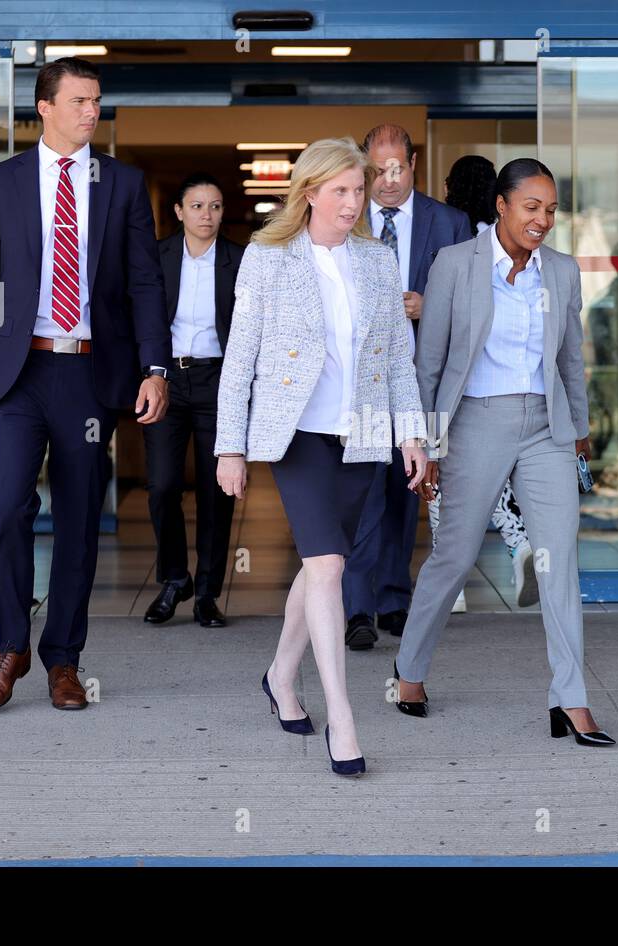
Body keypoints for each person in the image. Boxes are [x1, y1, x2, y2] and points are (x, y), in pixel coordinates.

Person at [0, 57, 171, 711]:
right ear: (44, 107)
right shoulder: (5, 184)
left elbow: (146, 284)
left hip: (89, 375)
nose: (91, 112)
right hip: (16, 376)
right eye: (78, 101)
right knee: (7, 505)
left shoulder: (123, 185)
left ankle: (64, 660)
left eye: (96, 101)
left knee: (77, 521)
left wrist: (155, 368)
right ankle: (8, 648)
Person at [214, 136, 429, 775]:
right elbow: (241, 357)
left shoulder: (377, 260)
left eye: (359, 190)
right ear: (310, 193)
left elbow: (395, 359)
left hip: (361, 434)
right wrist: (230, 445)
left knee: (318, 568)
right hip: (299, 435)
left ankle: (281, 674)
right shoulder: (268, 256)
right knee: (331, 565)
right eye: (340, 190)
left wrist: (411, 435)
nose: (353, 201)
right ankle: (343, 716)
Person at [393, 158, 615, 747]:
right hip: (476, 422)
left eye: (551, 209)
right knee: (456, 554)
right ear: (501, 204)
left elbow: (570, 360)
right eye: (531, 207)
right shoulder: (455, 264)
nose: (543, 219)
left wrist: (580, 432)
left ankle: (571, 699)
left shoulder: (562, 272)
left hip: (546, 427)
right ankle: (409, 668)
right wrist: (429, 443)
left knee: (559, 558)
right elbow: (430, 362)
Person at [341, 123, 471, 651]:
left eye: (396, 168)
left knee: (407, 488)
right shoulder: (346, 221)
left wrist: (429, 307)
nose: (387, 181)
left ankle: (395, 597)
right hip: (365, 385)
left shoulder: (452, 222)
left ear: (414, 165)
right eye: (377, 170)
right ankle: (357, 608)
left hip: (424, 385)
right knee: (364, 492)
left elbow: (474, 302)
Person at [434, 154, 538, 612]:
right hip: (500, 379)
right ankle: (519, 545)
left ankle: (452, 583)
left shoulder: (454, 241)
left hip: (457, 380)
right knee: (491, 479)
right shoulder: (499, 239)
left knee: (443, 481)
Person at [142, 173, 245, 628]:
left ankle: (206, 592)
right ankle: (173, 577)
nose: (208, 215)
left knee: (215, 491)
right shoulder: (157, 256)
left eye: (216, 206)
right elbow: (140, 320)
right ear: (179, 212)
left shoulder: (240, 261)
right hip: (167, 378)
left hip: (219, 382)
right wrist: (148, 374)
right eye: (198, 206)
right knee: (162, 484)